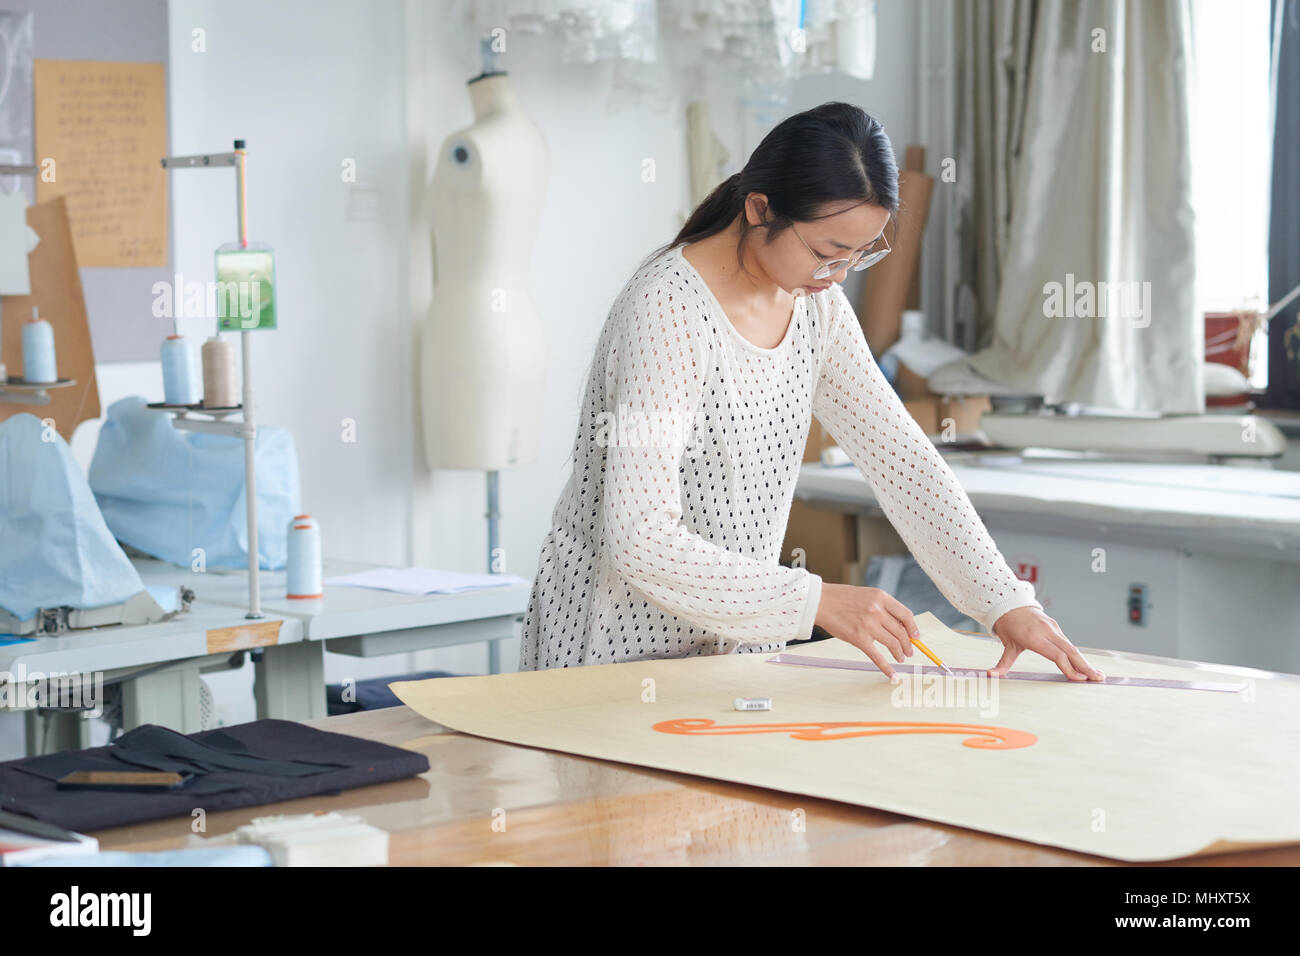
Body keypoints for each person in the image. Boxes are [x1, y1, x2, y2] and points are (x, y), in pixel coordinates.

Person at [520, 101, 1104, 684]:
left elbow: (902, 462)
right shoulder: (667, 312)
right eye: (826, 252)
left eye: (859, 254)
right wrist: (816, 601)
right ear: (759, 208)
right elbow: (639, 537)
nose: (840, 274)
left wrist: (1004, 601)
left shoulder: (816, 309)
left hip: (735, 659)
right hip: (608, 656)